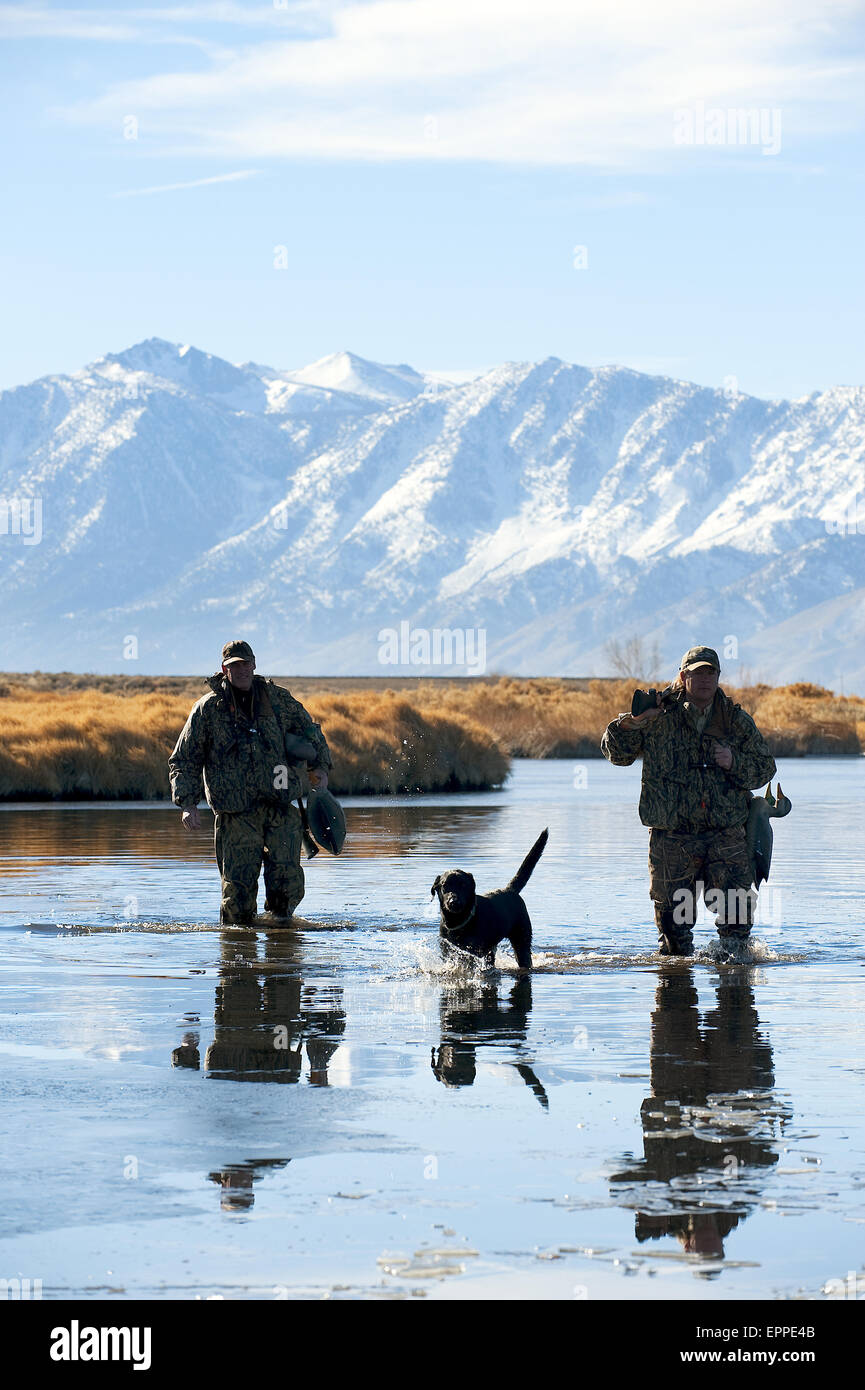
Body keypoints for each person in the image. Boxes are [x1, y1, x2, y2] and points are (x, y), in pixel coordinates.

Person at [600, 645, 776, 956]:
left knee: (737, 928)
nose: (705, 679)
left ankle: (734, 993)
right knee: (673, 935)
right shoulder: (659, 716)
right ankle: (676, 993)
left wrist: (735, 762)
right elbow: (616, 754)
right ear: (684, 677)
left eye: (711, 673)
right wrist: (635, 721)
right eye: (698, 673)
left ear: (719, 677)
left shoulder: (735, 720)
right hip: (672, 838)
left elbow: (765, 768)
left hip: (726, 836)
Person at [168, 640, 332, 924]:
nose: (241, 669)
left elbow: (310, 731)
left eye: (245, 663)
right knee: (238, 896)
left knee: (287, 887)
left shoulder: (279, 700)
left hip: (280, 806)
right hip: (236, 814)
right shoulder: (207, 709)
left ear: (254, 664)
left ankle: (281, 953)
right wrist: (187, 804)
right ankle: (238, 959)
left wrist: (320, 768)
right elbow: (184, 759)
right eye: (234, 665)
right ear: (224, 669)